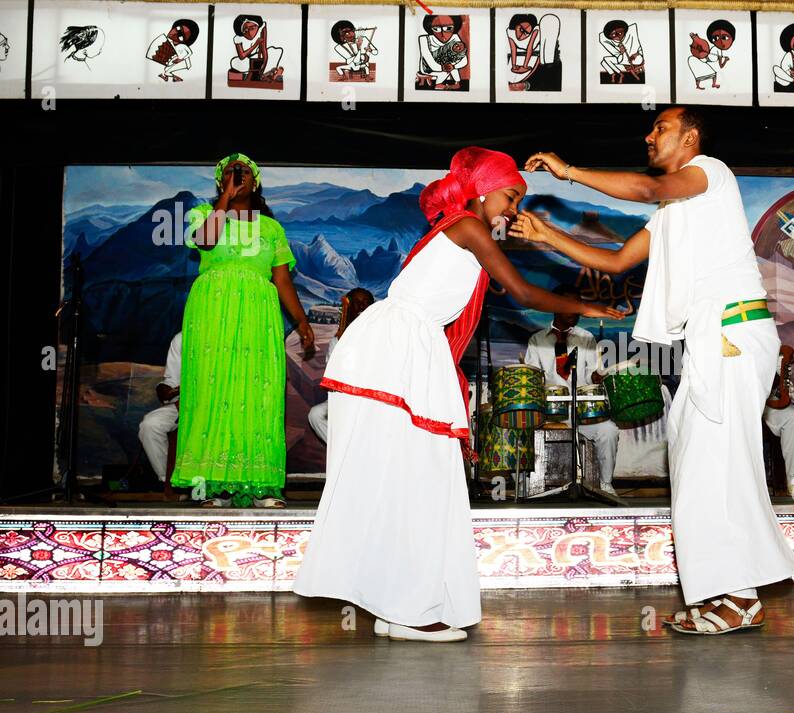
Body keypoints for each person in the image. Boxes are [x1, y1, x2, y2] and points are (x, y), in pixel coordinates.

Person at [294, 148, 624, 643]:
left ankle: (397, 605)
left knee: (413, 480)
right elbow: (525, 294)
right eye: (511, 196)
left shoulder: (462, 231)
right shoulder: (467, 226)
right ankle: (406, 608)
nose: (513, 208)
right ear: (484, 190)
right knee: (413, 480)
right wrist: (592, 309)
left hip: (402, 354)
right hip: (394, 355)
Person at [511, 106, 794, 635]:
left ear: (690, 138)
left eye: (660, 128)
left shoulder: (711, 173)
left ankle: (740, 596)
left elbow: (646, 188)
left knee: (720, 466)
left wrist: (570, 171)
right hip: (710, 343)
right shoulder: (672, 212)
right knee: (696, 469)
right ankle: (730, 591)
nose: (649, 135)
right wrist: (547, 234)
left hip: (732, 336)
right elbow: (619, 262)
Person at [177, 153, 314, 509]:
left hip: (257, 314)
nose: (237, 178)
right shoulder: (204, 216)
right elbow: (206, 242)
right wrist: (224, 199)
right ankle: (213, 488)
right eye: (229, 174)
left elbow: (282, 278)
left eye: (243, 173)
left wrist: (301, 320)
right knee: (212, 393)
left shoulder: (271, 229)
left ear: (256, 181)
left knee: (259, 394)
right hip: (212, 313)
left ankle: (262, 486)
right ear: (220, 182)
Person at [522, 290, 620, 492]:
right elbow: (531, 380)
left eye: (579, 306)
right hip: (549, 415)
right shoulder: (537, 340)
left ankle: (605, 483)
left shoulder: (586, 338)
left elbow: (593, 372)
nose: (576, 310)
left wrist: (597, 376)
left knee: (609, 430)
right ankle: (527, 483)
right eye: (572, 305)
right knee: (522, 427)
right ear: (557, 305)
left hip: (582, 413)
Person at [308, 288, 374, 443]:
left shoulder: (380, 336)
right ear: (348, 307)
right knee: (316, 414)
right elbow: (333, 379)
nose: (361, 307)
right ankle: (344, 451)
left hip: (371, 398)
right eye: (356, 303)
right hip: (343, 396)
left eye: (366, 303)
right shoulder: (337, 341)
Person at [139, 332, 182, 485]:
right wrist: (165, 388)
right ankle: (170, 482)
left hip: (222, 408)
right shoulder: (183, 338)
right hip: (185, 406)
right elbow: (172, 380)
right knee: (150, 425)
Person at [763, 379, 794, 500]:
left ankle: (793, 482)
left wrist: (783, 382)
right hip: (738, 401)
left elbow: (780, 370)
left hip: (769, 402)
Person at [416, 14, 467, 90]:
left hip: (448, 65)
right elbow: (429, 60)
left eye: (448, 28)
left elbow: (464, 60)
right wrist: (442, 68)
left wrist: (453, 66)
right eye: (436, 29)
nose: (443, 34)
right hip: (428, 68)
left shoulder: (455, 37)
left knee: (454, 70)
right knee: (445, 72)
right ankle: (438, 85)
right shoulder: (424, 39)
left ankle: (457, 83)